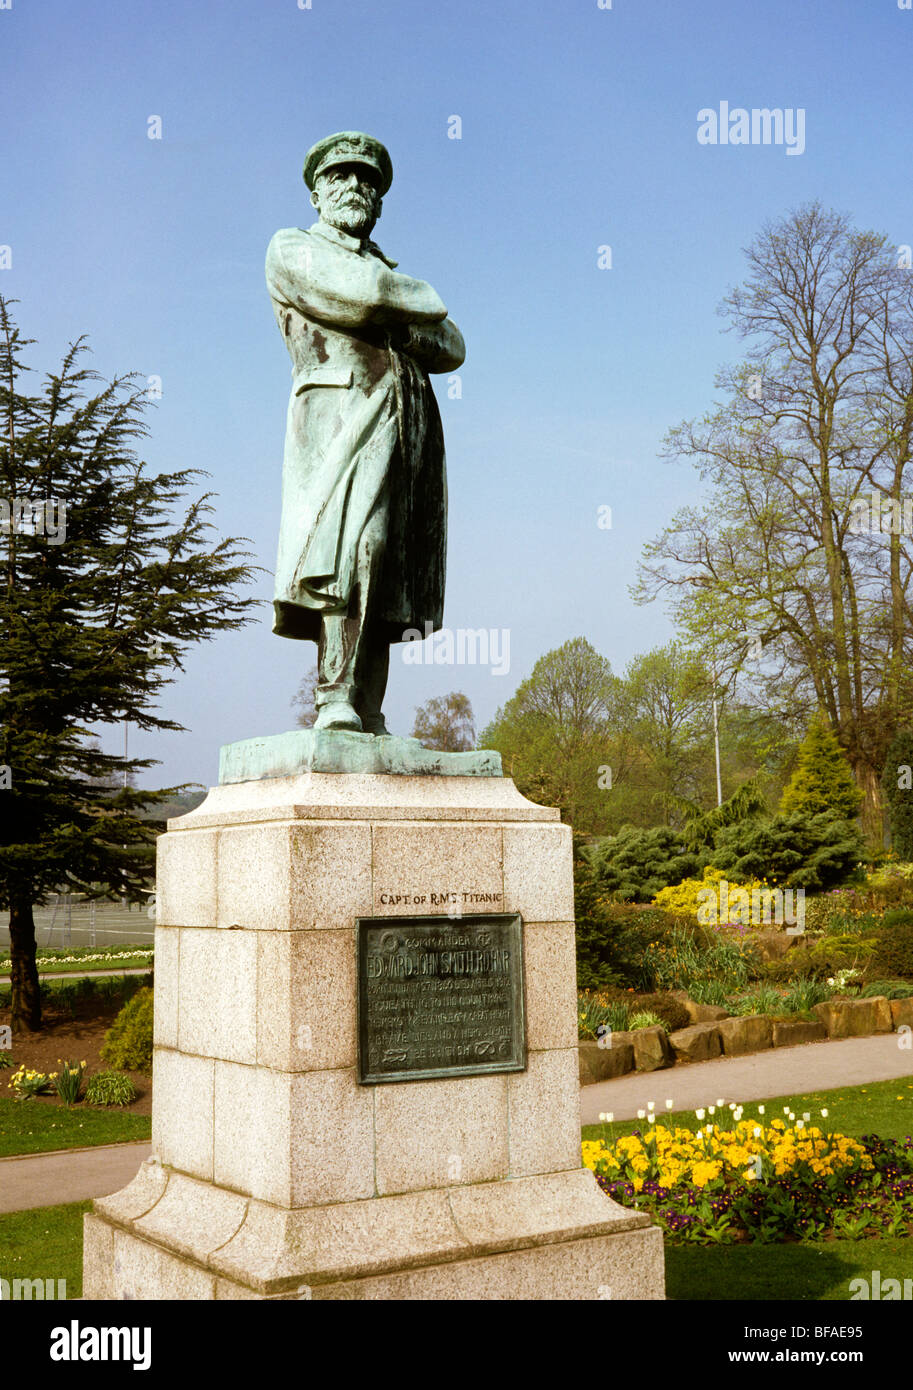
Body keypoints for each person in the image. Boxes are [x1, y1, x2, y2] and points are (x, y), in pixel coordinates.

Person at [265, 132, 465, 734]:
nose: (356, 188)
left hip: (405, 424)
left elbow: (452, 346)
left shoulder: (383, 266)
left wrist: (397, 318)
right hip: (339, 420)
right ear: (317, 193)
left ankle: (368, 711)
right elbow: (360, 297)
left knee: (393, 573)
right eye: (342, 178)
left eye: (367, 183)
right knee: (356, 548)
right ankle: (335, 698)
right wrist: (416, 301)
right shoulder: (291, 248)